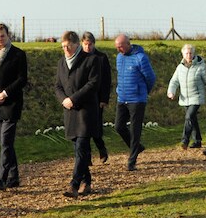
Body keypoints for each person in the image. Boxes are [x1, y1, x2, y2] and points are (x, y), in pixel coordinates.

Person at [52, 30, 102, 197]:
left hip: (86, 112)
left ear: (76, 44)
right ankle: (86, 182)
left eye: (68, 46)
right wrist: (64, 100)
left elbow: (93, 84)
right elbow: (57, 85)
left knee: (81, 147)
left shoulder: (91, 60)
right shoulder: (61, 63)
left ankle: (73, 185)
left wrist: (74, 98)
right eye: (63, 47)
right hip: (70, 112)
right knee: (79, 150)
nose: (65, 49)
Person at [0, 23, 28, 190]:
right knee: (4, 142)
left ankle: (1, 178)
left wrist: (5, 93)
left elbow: (22, 79)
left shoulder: (18, 54)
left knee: (6, 143)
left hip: (11, 103)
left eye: (2, 36)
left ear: (8, 35)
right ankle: (14, 176)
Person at [114, 34, 156, 171]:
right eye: (117, 47)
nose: (119, 49)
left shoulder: (140, 57)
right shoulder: (119, 58)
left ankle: (132, 161)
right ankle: (137, 147)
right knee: (119, 126)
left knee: (135, 129)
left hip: (137, 99)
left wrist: (143, 91)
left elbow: (150, 78)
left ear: (128, 43)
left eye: (120, 46)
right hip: (122, 98)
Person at [166, 43, 206, 148]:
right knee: (192, 119)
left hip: (197, 97)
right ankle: (198, 140)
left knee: (188, 116)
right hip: (185, 98)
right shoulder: (180, 67)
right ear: (183, 54)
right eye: (186, 53)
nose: (188, 55)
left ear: (194, 54)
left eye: (190, 53)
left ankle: (185, 140)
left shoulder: (201, 66)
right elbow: (174, 81)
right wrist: (171, 92)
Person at [81, 32, 110, 163]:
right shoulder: (78, 57)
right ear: (82, 44)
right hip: (82, 98)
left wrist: (104, 99)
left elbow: (106, 80)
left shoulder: (101, 58)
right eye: (86, 44)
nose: (88, 47)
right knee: (83, 129)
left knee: (96, 127)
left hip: (97, 98)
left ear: (94, 44)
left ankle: (101, 148)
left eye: (90, 44)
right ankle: (86, 158)